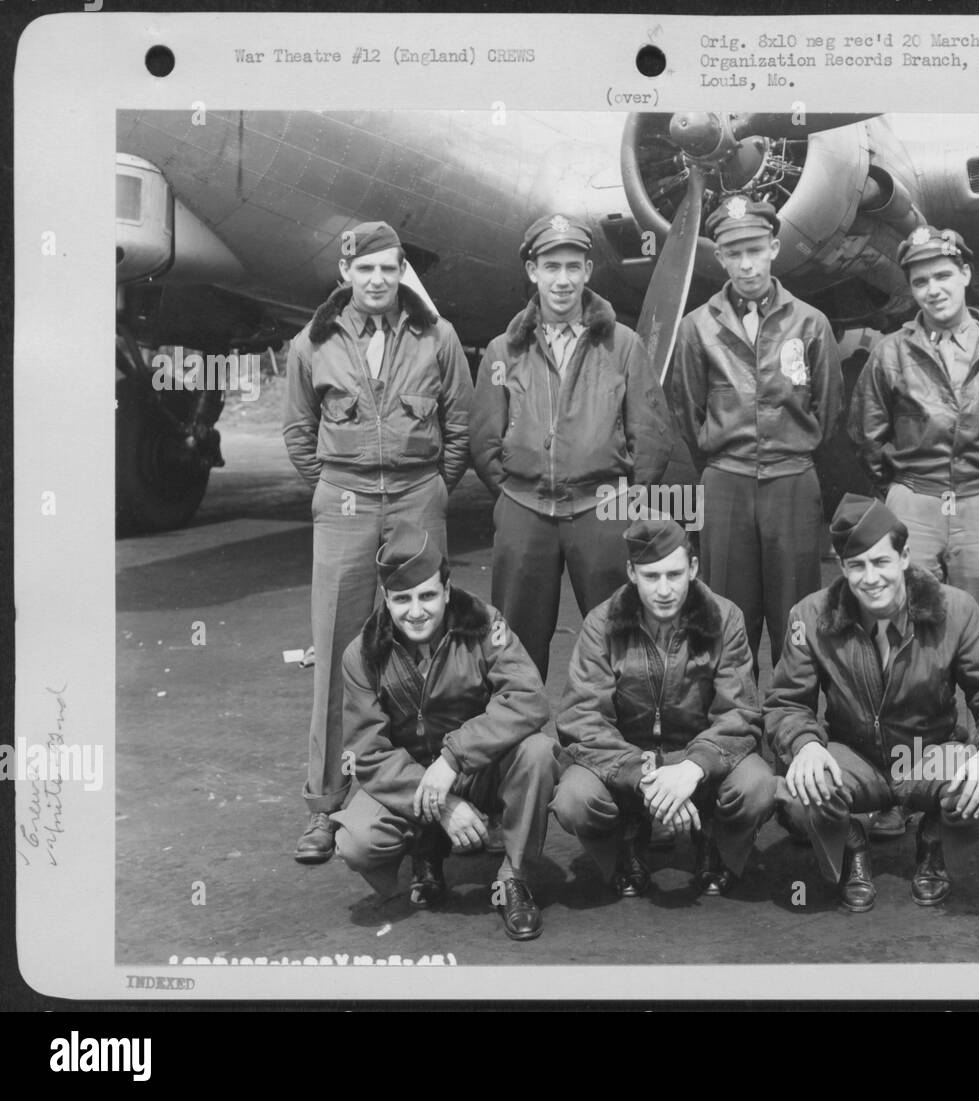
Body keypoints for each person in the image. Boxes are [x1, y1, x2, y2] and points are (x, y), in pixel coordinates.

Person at [283, 221, 473, 864]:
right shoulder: (311, 345)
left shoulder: (438, 337)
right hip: (344, 499)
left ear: (402, 273)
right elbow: (298, 434)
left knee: (425, 640)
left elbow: (461, 427)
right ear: (345, 274)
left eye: (388, 269)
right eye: (365, 270)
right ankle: (326, 803)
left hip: (420, 494)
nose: (377, 281)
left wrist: (430, 493)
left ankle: (426, 792)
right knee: (340, 647)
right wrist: (342, 490)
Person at [846, 225, 979, 838]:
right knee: (903, 643)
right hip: (916, 504)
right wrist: (907, 493)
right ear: (910, 288)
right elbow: (868, 436)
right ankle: (895, 783)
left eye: (942, 275)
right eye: (920, 280)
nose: (933, 289)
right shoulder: (890, 352)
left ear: (965, 273)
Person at [765, 495, 979, 910]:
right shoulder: (810, 617)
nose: (870, 578)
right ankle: (851, 842)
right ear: (842, 567)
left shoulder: (955, 609)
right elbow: (786, 702)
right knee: (795, 795)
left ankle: (936, 838)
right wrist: (806, 745)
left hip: (929, 755)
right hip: (852, 758)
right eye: (856, 566)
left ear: (904, 557)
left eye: (881, 562)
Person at [469, 214, 673, 681]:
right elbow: (483, 436)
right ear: (533, 272)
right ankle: (521, 744)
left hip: (601, 508)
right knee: (515, 643)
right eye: (551, 266)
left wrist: (624, 497)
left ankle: (620, 742)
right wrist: (518, 490)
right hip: (525, 508)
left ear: (587, 271)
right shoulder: (505, 351)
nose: (562, 279)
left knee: (619, 634)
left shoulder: (623, 346)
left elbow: (652, 433)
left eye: (573, 267)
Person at [331, 521, 557, 940]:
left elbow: (529, 699)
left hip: (478, 768)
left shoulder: (485, 625)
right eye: (402, 599)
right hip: (414, 783)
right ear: (385, 598)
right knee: (357, 840)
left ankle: (513, 878)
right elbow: (368, 752)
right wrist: (443, 804)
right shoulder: (362, 655)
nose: (416, 611)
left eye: (428, 595)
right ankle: (426, 846)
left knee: (538, 752)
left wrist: (455, 757)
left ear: (447, 590)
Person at [553, 516, 775, 896]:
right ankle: (626, 837)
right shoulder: (600, 623)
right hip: (627, 763)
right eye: (651, 576)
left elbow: (738, 712)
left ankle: (713, 836)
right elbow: (583, 718)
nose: (664, 590)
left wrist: (693, 767)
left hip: (698, 760)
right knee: (574, 799)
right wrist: (641, 776)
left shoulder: (726, 618)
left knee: (758, 786)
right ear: (631, 573)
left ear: (693, 567)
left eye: (674, 574)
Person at [669, 193, 844, 670]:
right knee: (727, 612)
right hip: (726, 481)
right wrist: (721, 455)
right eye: (734, 253)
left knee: (797, 614)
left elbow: (828, 413)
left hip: (792, 480)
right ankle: (734, 724)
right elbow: (686, 410)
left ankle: (795, 721)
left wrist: (791, 449)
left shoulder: (811, 323)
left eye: (755, 249)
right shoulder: (696, 328)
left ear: (774, 247)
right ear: (720, 257)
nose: (746, 265)